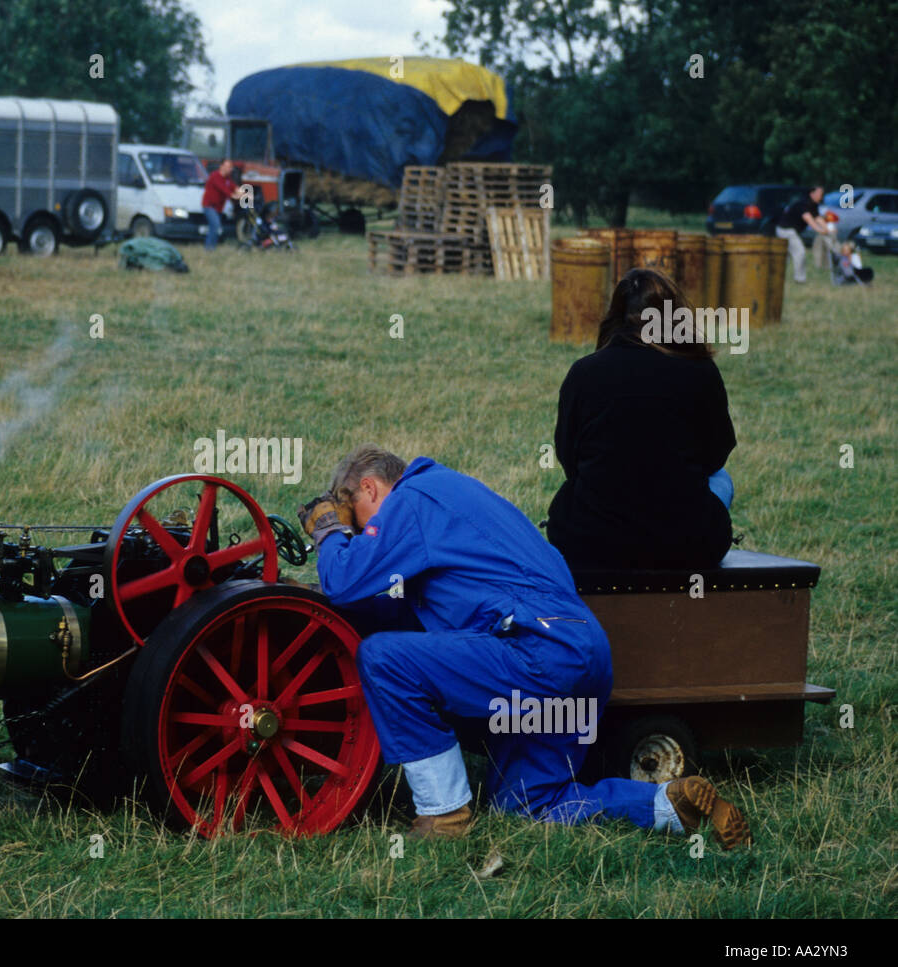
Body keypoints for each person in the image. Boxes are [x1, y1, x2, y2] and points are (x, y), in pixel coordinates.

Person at [297, 446, 752, 849]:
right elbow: (410, 614)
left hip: (535, 651)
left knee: (383, 659)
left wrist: (329, 532)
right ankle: (669, 805)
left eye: (359, 521)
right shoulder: (460, 497)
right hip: (582, 657)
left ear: (371, 489)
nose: (364, 536)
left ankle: (443, 814)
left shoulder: (412, 500)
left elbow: (344, 581)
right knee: (526, 803)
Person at [545, 269, 737, 572]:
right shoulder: (700, 370)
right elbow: (716, 454)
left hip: (589, 542)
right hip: (689, 545)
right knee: (721, 479)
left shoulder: (584, 372)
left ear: (616, 315)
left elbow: (570, 459)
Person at [776, 185, 830, 283]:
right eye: (820, 194)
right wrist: (821, 231)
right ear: (812, 194)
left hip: (790, 231)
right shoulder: (803, 204)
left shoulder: (813, 204)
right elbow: (809, 220)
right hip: (786, 230)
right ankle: (800, 279)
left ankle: (777, 277)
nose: (822, 196)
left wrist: (827, 229)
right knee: (799, 252)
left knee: (785, 256)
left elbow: (817, 218)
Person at [201, 159, 238, 251]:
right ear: (221, 166)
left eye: (230, 167)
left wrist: (245, 193)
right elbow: (224, 189)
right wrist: (234, 195)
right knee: (215, 225)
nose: (230, 169)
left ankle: (212, 247)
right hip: (209, 206)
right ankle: (209, 249)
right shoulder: (215, 176)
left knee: (215, 227)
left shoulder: (228, 179)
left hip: (218, 208)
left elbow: (234, 187)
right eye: (228, 167)